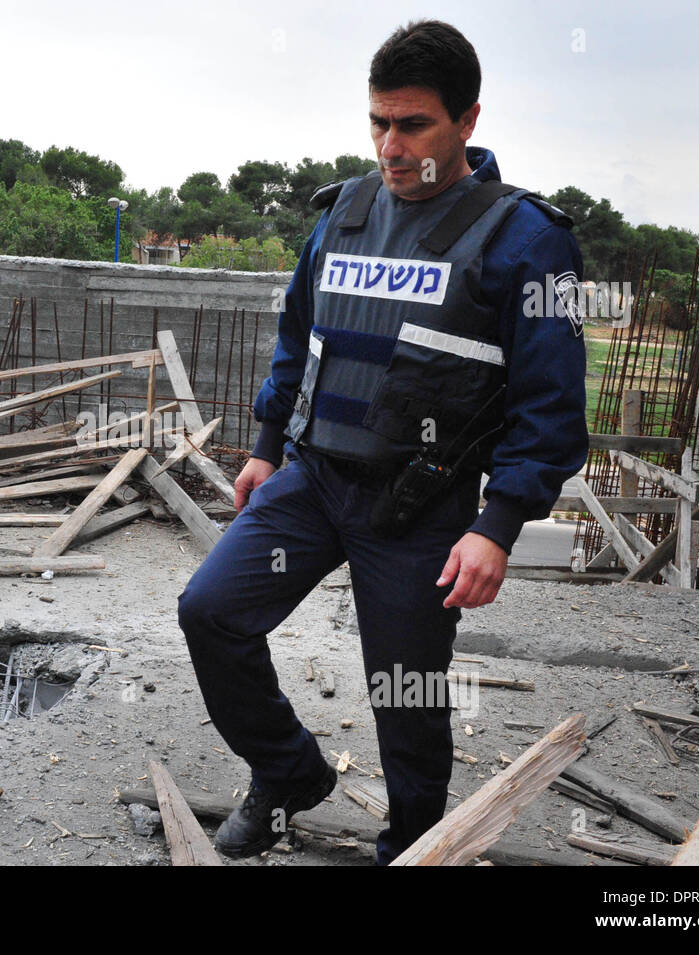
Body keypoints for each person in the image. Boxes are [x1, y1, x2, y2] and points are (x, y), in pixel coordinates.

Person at [176, 19, 588, 864]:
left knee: (406, 699)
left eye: (413, 125)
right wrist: (264, 444)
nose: (391, 147)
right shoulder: (345, 214)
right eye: (378, 123)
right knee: (210, 610)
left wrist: (498, 523)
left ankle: (411, 845)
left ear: (468, 121)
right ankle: (290, 773)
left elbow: (552, 406)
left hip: (420, 506)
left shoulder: (529, 241)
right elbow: (301, 338)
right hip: (317, 481)